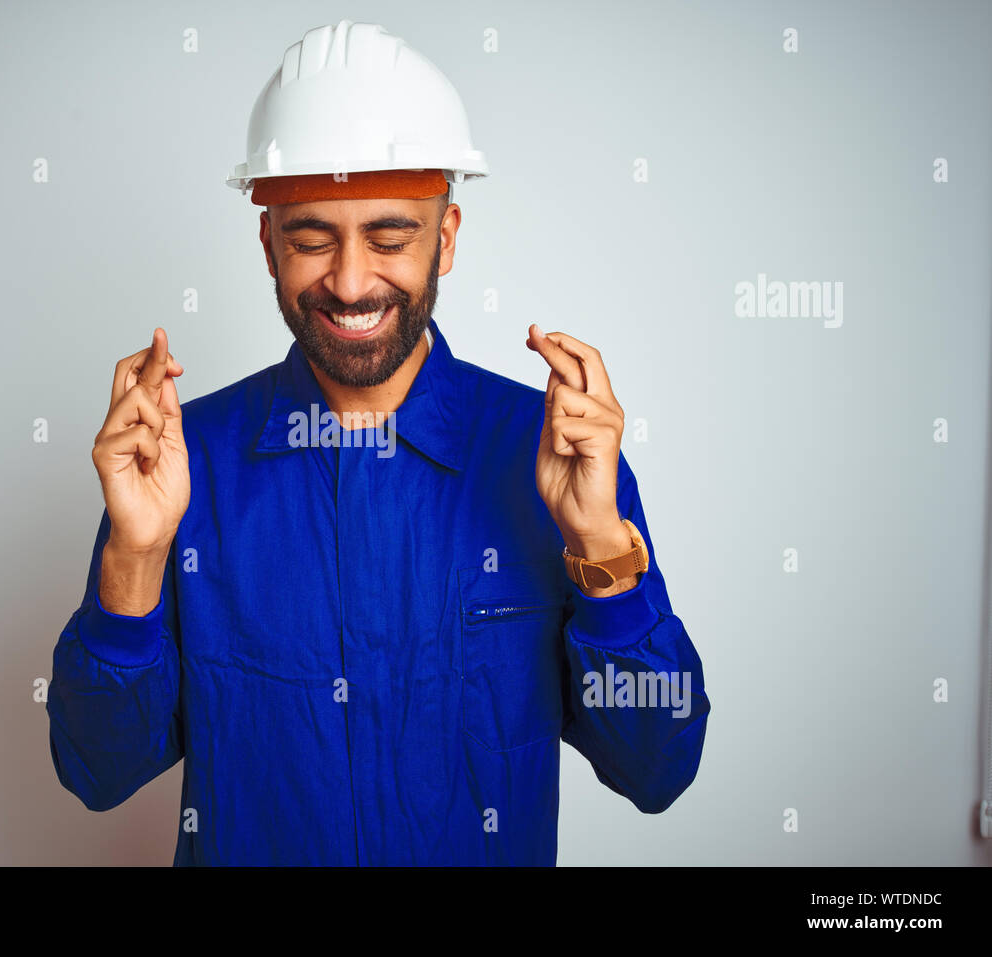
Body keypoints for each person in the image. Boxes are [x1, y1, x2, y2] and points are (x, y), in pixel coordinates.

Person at [46, 19, 709, 865]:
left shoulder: (554, 457)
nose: (352, 281)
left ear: (449, 238)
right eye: (311, 239)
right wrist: (135, 555)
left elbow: (660, 765)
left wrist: (601, 546)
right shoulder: (184, 464)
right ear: (267, 245)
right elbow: (97, 768)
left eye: (390, 238)